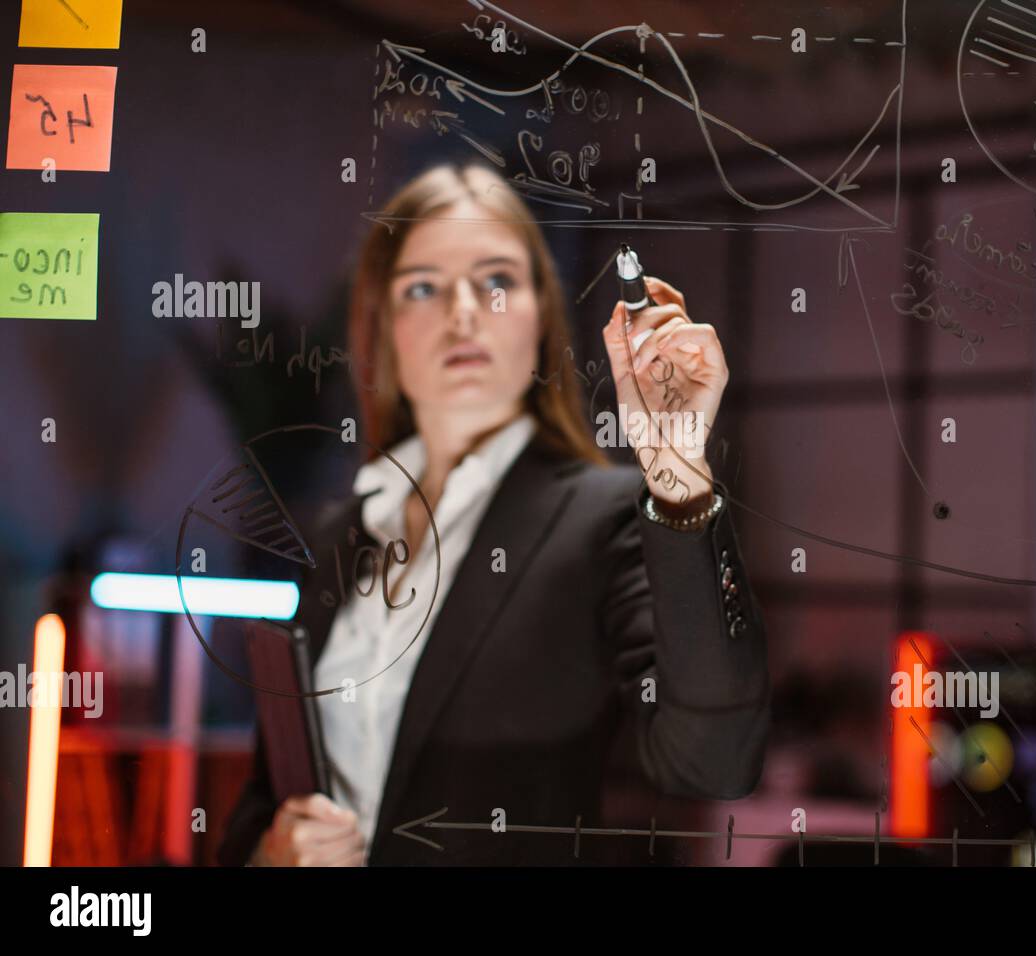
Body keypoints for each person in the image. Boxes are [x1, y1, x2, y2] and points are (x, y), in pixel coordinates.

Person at [217, 162, 769, 866]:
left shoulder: (604, 521)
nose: (463, 313)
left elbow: (716, 761)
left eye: (497, 281)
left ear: (541, 317)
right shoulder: (337, 536)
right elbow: (260, 804)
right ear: (384, 328)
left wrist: (680, 480)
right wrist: (269, 854)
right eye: (423, 287)